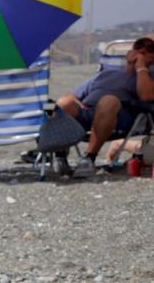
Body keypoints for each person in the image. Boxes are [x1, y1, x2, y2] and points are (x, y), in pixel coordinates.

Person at [56, 37, 154, 178]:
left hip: (119, 115)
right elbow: (72, 95)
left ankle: (89, 158)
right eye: (137, 49)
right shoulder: (105, 74)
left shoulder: (149, 77)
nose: (140, 53)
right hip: (88, 111)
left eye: (148, 51)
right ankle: (60, 156)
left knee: (108, 101)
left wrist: (141, 67)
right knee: (62, 103)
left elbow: (146, 96)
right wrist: (75, 103)